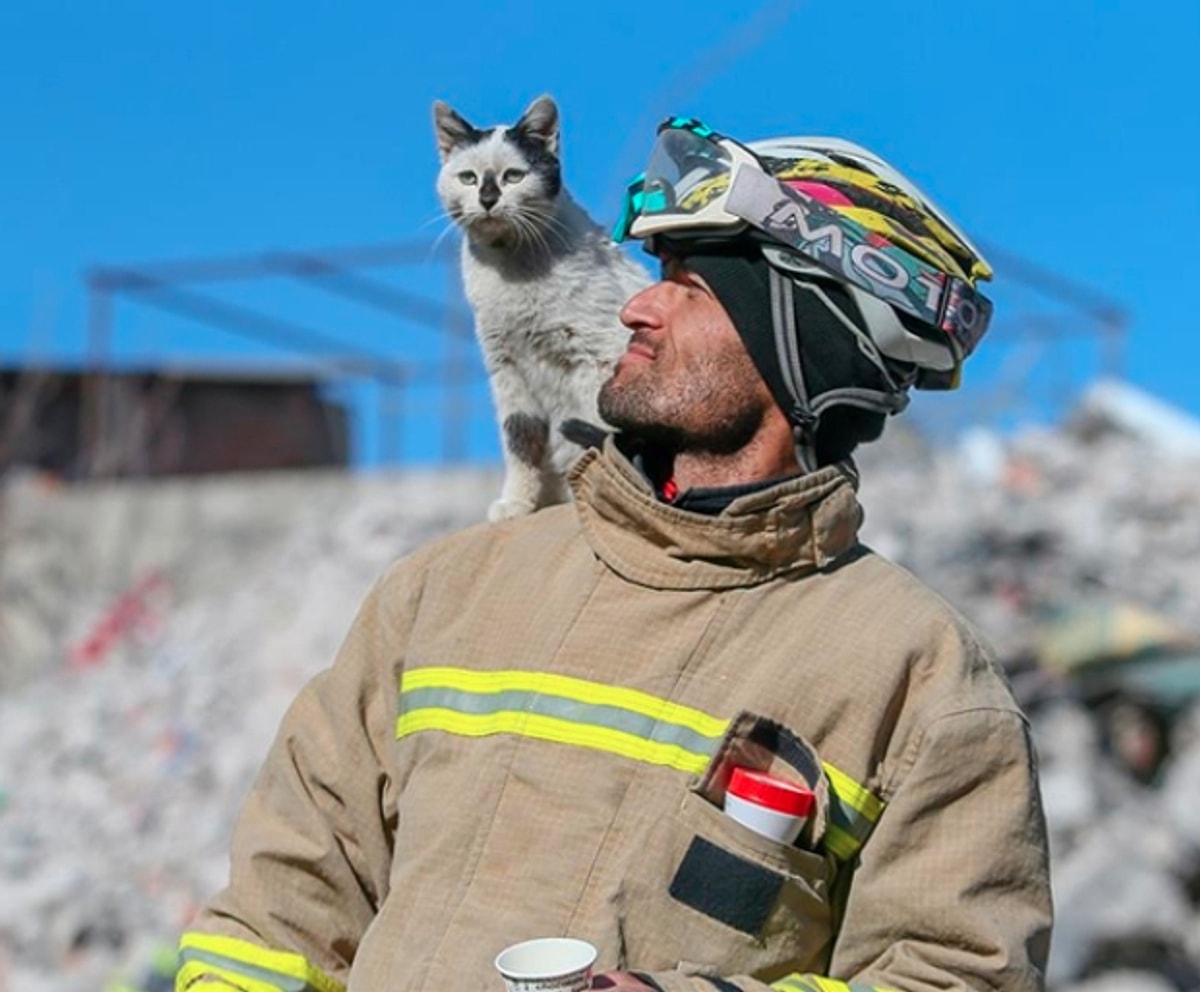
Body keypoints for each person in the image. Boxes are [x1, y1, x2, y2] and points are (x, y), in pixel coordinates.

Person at [176, 117, 1053, 992]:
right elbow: (276, 912)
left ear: (804, 346)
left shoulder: (917, 679)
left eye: (694, 288)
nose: (637, 303)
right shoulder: (447, 591)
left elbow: (956, 975)